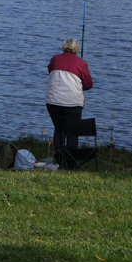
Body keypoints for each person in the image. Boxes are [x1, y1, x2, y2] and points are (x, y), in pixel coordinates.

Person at [45, 37, 93, 168]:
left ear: (64, 47)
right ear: (77, 49)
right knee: (72, 132)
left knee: (59, 129)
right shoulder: (81, 63)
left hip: (53, 102)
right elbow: (88, 85)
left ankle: (60, 158)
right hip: (73, 104)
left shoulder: (55, 59)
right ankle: (71, 162)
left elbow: (51, 72)